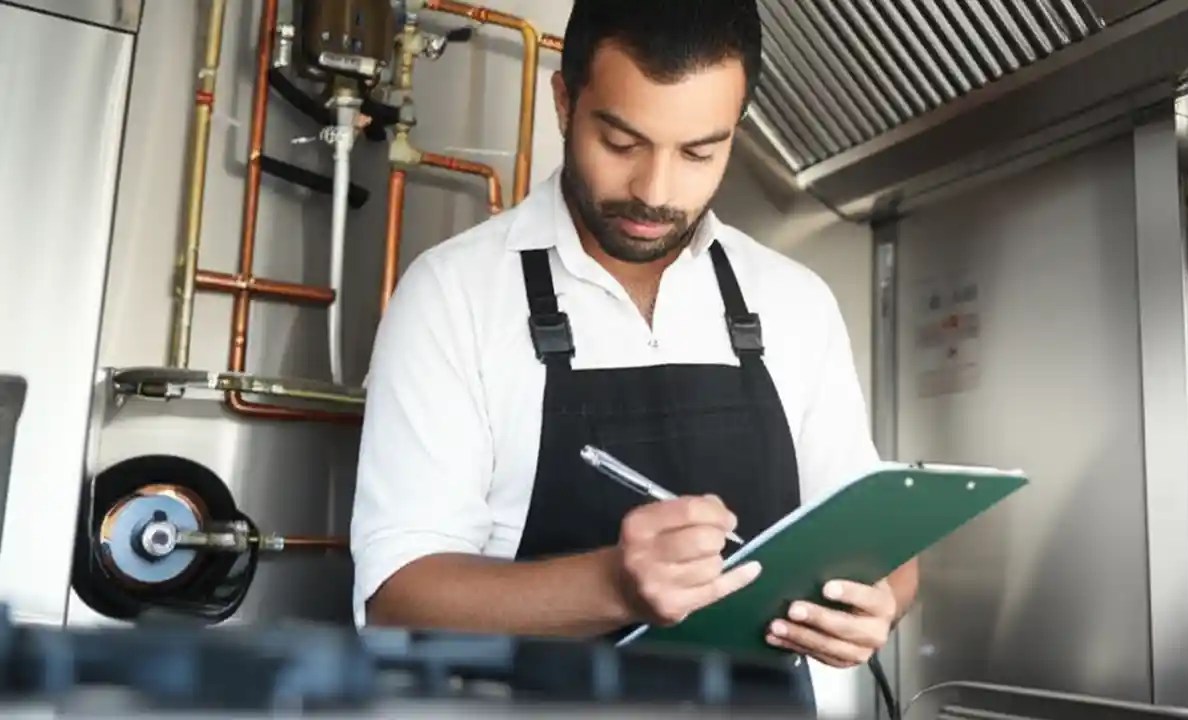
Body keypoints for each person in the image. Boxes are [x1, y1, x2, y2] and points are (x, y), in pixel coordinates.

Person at [350, 0, 919, 704]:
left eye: (699, 153)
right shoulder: (453, 295)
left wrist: (878, 601)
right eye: (621, 143)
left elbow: (876, 538)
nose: (655, 191)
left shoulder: (793, 301)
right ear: (564, 101)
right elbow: (399, 600)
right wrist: (614, 585)